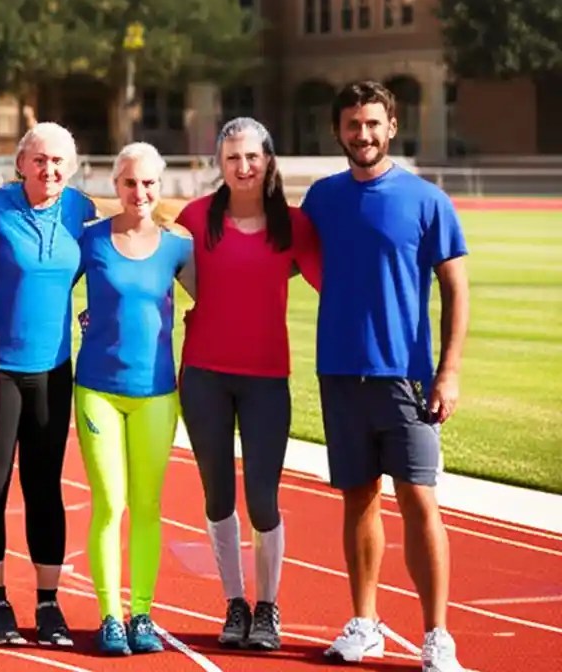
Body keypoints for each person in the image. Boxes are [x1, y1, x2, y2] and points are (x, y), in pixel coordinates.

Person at [303, 81, 469, 672]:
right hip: (340, 373)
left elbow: (456, 288)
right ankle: (365, 623)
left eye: (373, 123)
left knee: (420, 501)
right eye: (353, 124)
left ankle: (437, 636)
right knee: (359, 499)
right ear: (338, 131)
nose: (363, 134)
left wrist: (448, 372)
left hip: (407, 379)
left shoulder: (427, 200)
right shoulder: (322, 198)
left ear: (392, 127)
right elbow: (278, 256)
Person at [174, 116, 321, 651]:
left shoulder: (295, 226)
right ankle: (235, 603)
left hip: (266, 379)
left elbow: (335, 282)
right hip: (204, 376)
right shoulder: (193, 219)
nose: (243, 167)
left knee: (262, 498)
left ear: (268, 160)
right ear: (219, 162)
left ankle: (268, 607)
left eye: (252, 156)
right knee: (218, 495)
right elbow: (151, 267)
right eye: (233, 157)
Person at [74, 142, 195, 656]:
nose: (139, 192)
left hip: (156, 394)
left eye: (148, 183)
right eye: (129, 182)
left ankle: (141, 614)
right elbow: (48, 285)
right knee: (110, 504)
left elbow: (218, 301)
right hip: (97, 390)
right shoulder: (91, 240)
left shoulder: (177, 249)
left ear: (159, 186)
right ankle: (109, 616)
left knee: (147, 505)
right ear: (115, 185)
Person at [0, 122, 95, 647]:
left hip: (53, 370)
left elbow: (102, 263)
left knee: (45, 486)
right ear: (20, 163)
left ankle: (48, 604)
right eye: (40, 159)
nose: (49, 170)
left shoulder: (79, 210)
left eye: (59, 161)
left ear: (72, 167)